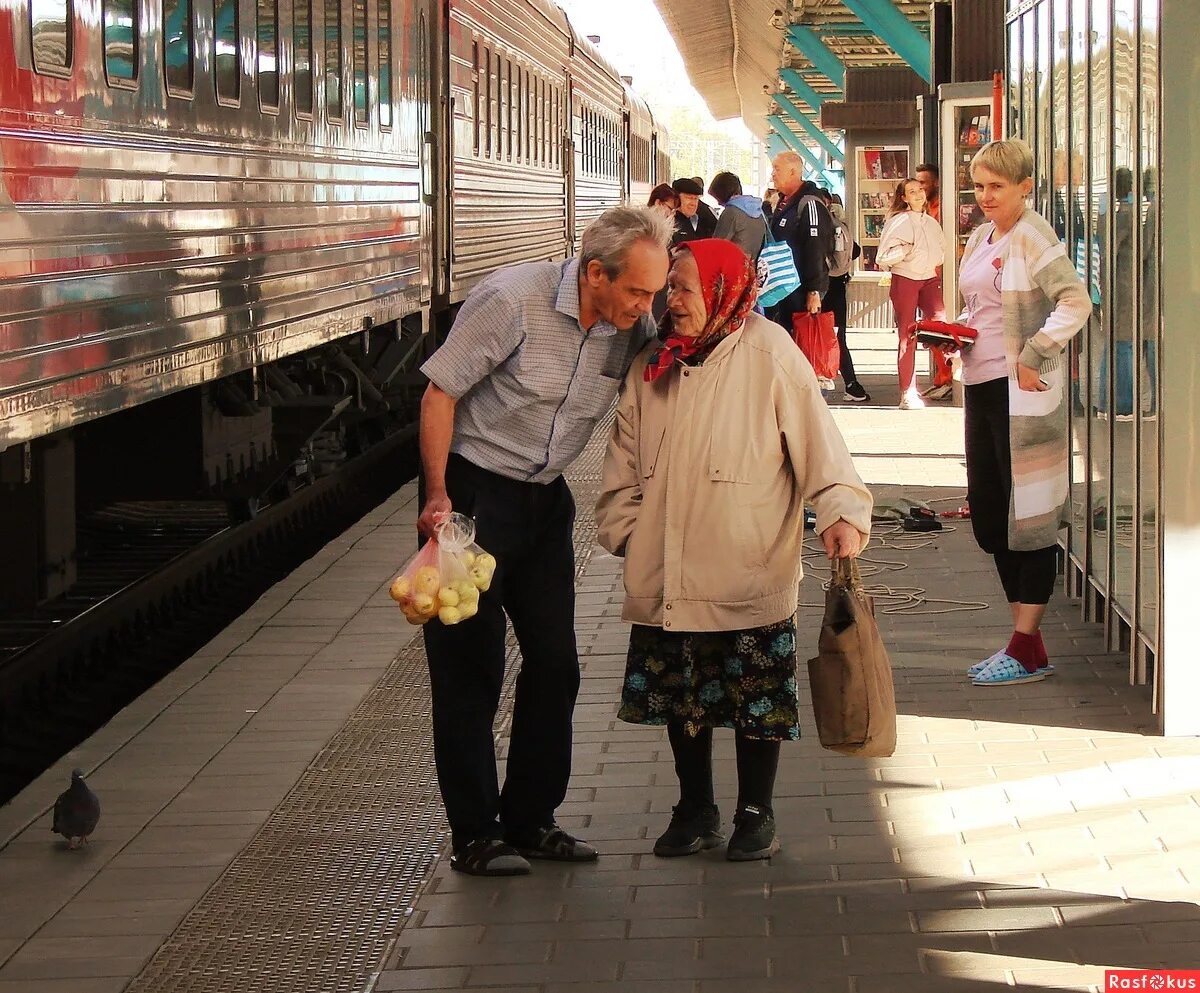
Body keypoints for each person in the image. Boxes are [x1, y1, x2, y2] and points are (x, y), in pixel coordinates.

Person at [594, 238, 872, 861]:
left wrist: (840, 510)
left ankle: (756, 812)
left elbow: (820, 446)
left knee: (755, 697)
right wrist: (629, 532)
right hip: (667, 565)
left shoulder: (770, 351)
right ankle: (695, 808)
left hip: (748, 565)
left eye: (686, 288)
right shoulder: (653, 364)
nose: (673, 301)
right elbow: (622, 464)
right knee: (682, 696)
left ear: (722, 289)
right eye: (670, 287)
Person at [416, 206, 673, 875]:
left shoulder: (629, 327)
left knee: (557, 663)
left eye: (653, 293)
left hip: (544, 503)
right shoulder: (512, 300)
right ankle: (475, 831)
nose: (646, 308)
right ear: (595, 273)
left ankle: (531, 818)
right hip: (471, 498)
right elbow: (440, 394)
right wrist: (437, 495)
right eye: (637, 292)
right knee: (470, 669)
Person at [948, 140, 1090, 686]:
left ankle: (1024, 644)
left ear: (1025, 187)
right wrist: (953, 332)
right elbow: (980, 307)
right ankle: (1025, 644)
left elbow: (1075, 301)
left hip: (1022, 397)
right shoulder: (983, 235)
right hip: (981, 385)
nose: (984, 196)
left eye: (996, 187)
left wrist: (1035, 353)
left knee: (1027, 517)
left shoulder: (1034, 236)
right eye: (979, 185)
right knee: (989, 512)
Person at [877, 177, 947, 409]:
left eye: (920, 190)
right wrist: (905, 251)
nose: (918, 194)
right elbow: (883, 256)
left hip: (929, 277)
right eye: (911, 191)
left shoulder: (931, 223)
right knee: (907, 336)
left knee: (940, 325)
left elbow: (941, 250)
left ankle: (947, 373)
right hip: (905, 277)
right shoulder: (898, 221)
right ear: (903, 198)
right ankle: (907, 391)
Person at [766, 152, 835, 388]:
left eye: (777, 168)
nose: (772, 174)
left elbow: (815, 246)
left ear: (794, 172)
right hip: (784, 288)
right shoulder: (784, 203)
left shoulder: (810, 203)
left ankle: (806, 384)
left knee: (803, 341)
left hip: (801, 288)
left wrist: (814, 289)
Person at [817, 189, 870, 402]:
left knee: (820, 335)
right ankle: (851, 383)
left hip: (822, 287)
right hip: (839, 286)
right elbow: (855, 251)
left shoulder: (823, 227)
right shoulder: (840, 226)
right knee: (839, 337)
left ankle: (828, 381)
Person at [915, 163, 955, 398]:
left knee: (939, 324)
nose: (920, 187)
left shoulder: (940, 210)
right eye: (917, 182)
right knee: (932, 325)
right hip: (926, 273)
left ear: (936, 183)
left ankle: (947, 375)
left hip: (940, 274)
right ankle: (942, 375)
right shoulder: (924, 209)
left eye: (924, 182)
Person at [708, 171, 768, 262]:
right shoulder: (759, 210)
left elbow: (717, 246)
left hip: (733, 268)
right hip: (754, 267)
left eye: (717, 197)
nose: (718, 203)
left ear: (722, 193)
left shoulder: (731, 212)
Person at [647, 184, 680, 321]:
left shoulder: (664, 226)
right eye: (670, 209)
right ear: (658, 203)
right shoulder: (644, 225)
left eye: (674, 212)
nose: (671, 215)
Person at [671, 177, 716, 245]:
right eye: (689, 198)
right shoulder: (668, 223)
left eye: (695, 199)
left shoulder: (702, 218)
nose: (693, 203)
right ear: (676, 198)